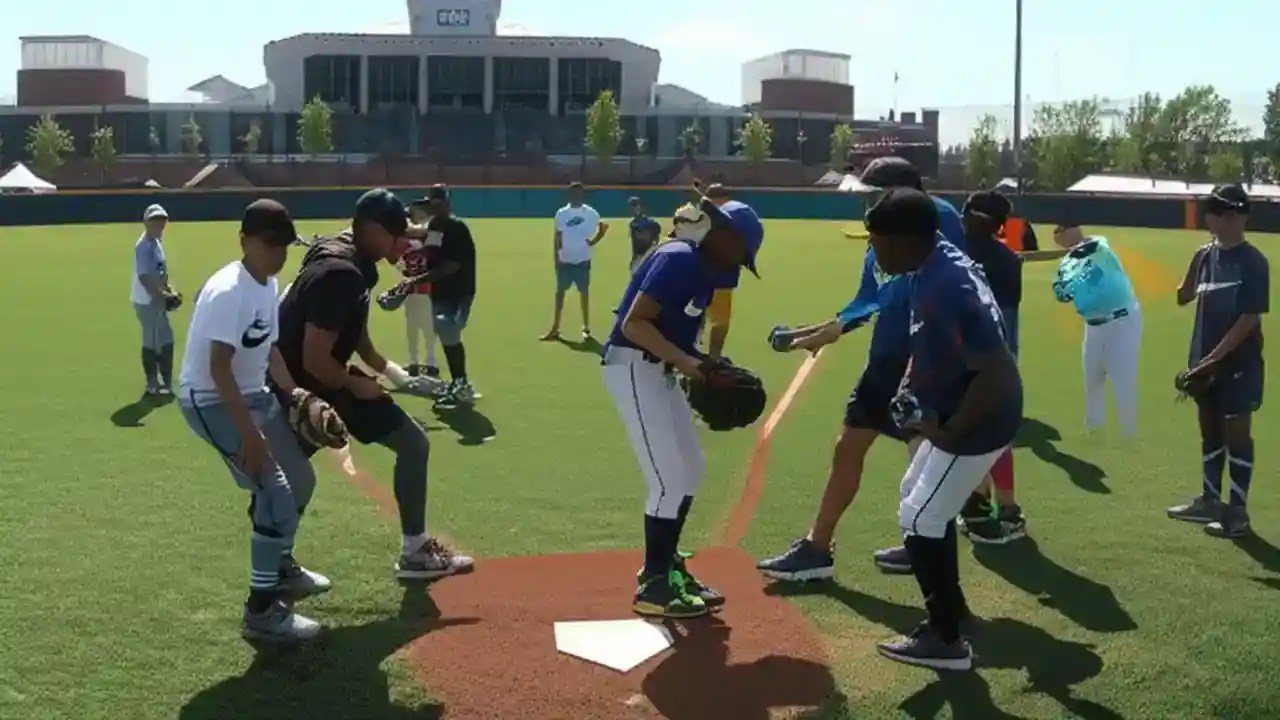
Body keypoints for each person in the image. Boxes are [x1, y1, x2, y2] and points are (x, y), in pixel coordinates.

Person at [756, 157, 966, 581]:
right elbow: (870, 297)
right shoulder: (881, 236)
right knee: (849, 447)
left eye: (874, 195)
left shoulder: (938, 220)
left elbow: (953, 291)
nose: (866, 205)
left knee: (925, 459)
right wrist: (824, 330)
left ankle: (931, 544)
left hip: (925, 362)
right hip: (885, 359)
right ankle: (818, 549)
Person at [276, 188, 474, 580]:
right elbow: (314, 359)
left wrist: (394, 373)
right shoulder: (338, 273)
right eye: (394, 231)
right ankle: (275, 565)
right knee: (290, 480)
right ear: (368, 229)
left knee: (411, 444)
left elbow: (353, 333)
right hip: (303, 385)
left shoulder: (355, 259)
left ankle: (413, 550)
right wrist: (355, 383)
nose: (402, 240)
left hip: (319, 375)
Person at [865, 188, 1023, 671]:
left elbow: (994, 370)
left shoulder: (943, 285)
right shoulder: (933, 263)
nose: (873, 251)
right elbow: (934, 341)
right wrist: (914, 387)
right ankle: (954, 616)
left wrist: (951, 433)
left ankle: (946, 638)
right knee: (916, 496)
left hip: (978, 417)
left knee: (921, 517)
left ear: (904, 240)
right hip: (964, 410)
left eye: (877, 242)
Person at [604, 196, 764, 618]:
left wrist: (705, 363)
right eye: (741, 251)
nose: (741, 262)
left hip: (660, 370)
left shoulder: (708, 268)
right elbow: (633, 324)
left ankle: (668, 567)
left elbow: (678, 331)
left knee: (691, 467)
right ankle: (653, 585)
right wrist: (693, 365)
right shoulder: (679, 258)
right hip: (633, 368)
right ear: (723, 233)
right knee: (668, 478)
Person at [177, 199, 328, 643]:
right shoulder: (229, 291)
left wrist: (296, 394)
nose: (278, 253)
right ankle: (261, 611)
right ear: (244, 241)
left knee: (301, 481)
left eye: (284, 244)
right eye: (269, 244)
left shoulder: (268, 284)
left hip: (254, 395)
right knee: (274, 489)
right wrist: (252, 437)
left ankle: (280, 567)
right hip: (210, 400)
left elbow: (270, 351)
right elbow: (219, 369)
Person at [1167, 184, 1268, 538]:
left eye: (1235, 214)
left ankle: (1237, 514)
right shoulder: (1206, 255)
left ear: (1235, 216)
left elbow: (1248, 319)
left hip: (1238, 365)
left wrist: (1213, 360)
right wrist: (1194, 263)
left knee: (1237, 435)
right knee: (1209, 430)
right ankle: (1210, 500)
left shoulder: (1253, 262)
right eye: (1219, 213)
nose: (1227, 219)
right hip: (1204, 364)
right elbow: (1183, 297)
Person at [953, 191, 1025, 545]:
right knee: (995, 432)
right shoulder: (1009, 260)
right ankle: (1003, 508)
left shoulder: (951, 253)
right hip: (1002, 356)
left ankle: (979, 506)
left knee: (968, 432)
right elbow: (1009, 316)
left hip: (962, 356)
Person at [1045, 224, 1143, 436]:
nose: (1058, 236)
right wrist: (1065, 276)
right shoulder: (1067, 263)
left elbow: (1087, 248)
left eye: (1062, 230)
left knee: (1123, 378)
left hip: (1122, 321)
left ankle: (1129, 432)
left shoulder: (1098, 244)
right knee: (1093, 378)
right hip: (1093, 326)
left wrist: (1073, 259)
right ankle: (1094, 430)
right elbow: (1062, 295)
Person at [421, 184, 482, 407]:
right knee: (445, 332)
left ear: (448, 204)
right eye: (433, 204)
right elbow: (432, 252)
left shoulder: (457, 228)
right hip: (440, 292)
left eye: (440, 204)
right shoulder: (435, 226)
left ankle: (462, 384)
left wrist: (415, 281)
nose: (436, 208)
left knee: (447, 328)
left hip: (459, 293)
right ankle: (459, 383)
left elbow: (451, 266)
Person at [542, 181, 609, 341]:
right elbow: (557, 237)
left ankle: (586, 328)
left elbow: (604, 227)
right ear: (569, 194)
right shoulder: (561, 213)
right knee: (560, 295)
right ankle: (555, 328)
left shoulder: (590, 213)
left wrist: (593, 241)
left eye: (579, 193)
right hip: (565, 260)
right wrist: (556, 258)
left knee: (584, 293)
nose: (576, 196)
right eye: (573, 193)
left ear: (582, 194)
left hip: (582, 261)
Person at [132, 203, 181, 397]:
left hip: (157, 299)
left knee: (166, 338)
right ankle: (152, 384)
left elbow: (161, 273)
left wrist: (171, 291)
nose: (159, 224)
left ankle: (167, 382)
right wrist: (163, 297)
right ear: (146, 222)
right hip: (146, 301)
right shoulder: (143, 246)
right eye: (154, 220)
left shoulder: (157, 243)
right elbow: (144, 277)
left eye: (162, 220)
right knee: (152, 341)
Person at [398, 198, 441, 380]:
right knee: (428, 327)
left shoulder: (406, 236)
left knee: (413, 327)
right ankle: (430, 364)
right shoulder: (431, 233)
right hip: (426, 287)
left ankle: (415, 363)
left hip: (411, 287)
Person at [627, 196, 662, 272]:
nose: (633, 209)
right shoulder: (632, 224)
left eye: (635, 206)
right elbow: (635, 244)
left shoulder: (651, 223)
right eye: (632, 206)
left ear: (640, 207)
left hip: (648, 257)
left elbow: (657, 240)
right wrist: (634, 259)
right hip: (638, 258)